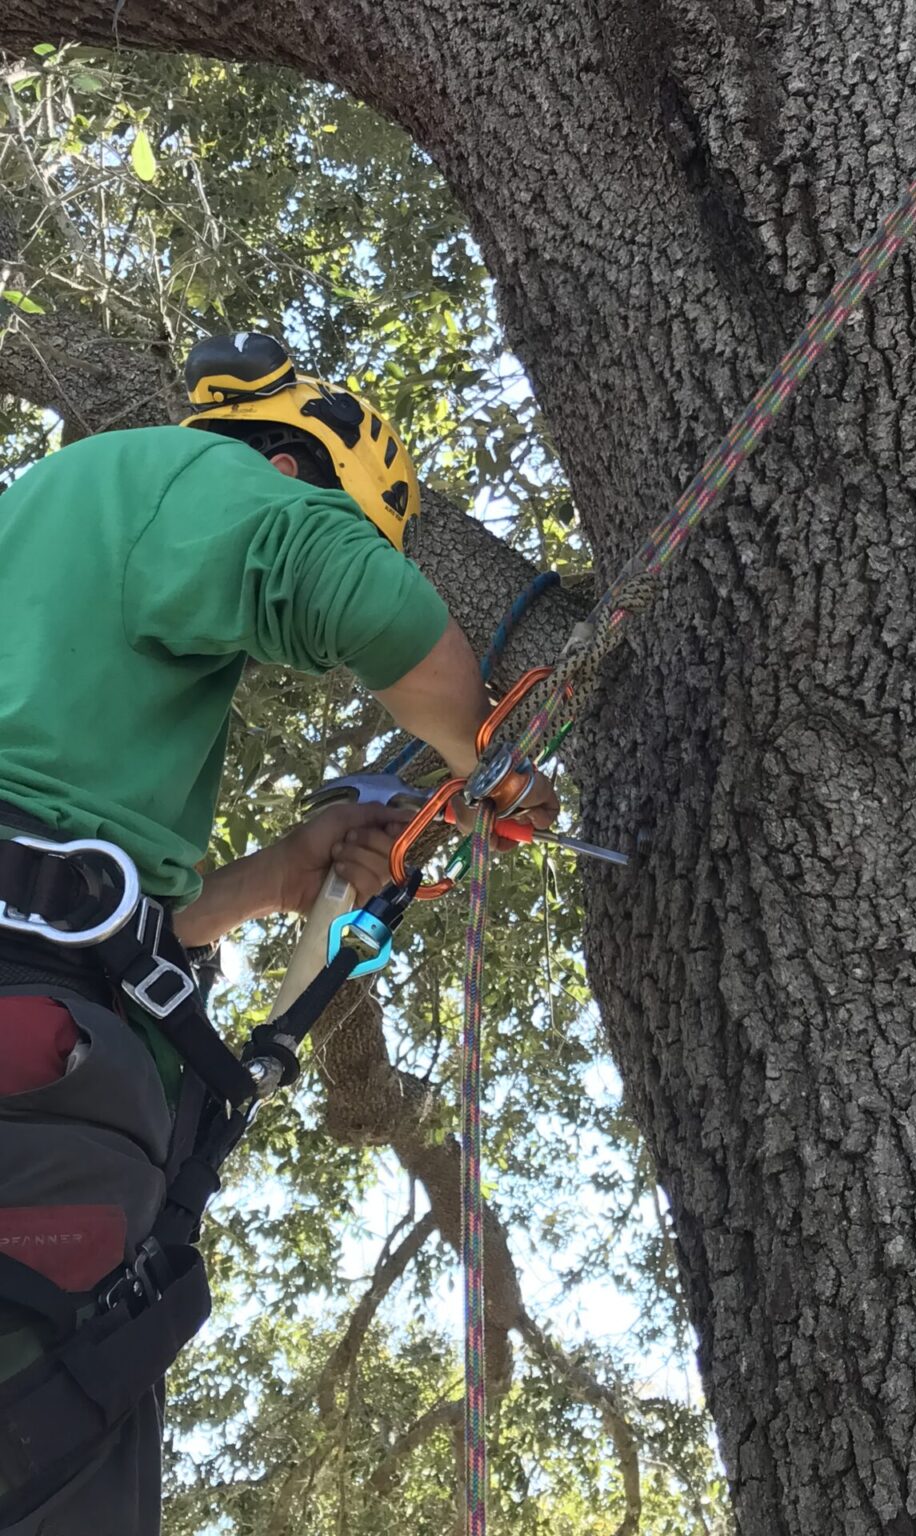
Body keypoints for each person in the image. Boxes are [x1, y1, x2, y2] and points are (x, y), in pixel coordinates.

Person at [0, 332, 557, 1534]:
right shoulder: (187, 478)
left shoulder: (51, 530)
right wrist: (489, 768)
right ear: (302, 464)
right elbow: (365, 595)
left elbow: (61, 903)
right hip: (33, 1086)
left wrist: (279, 878)